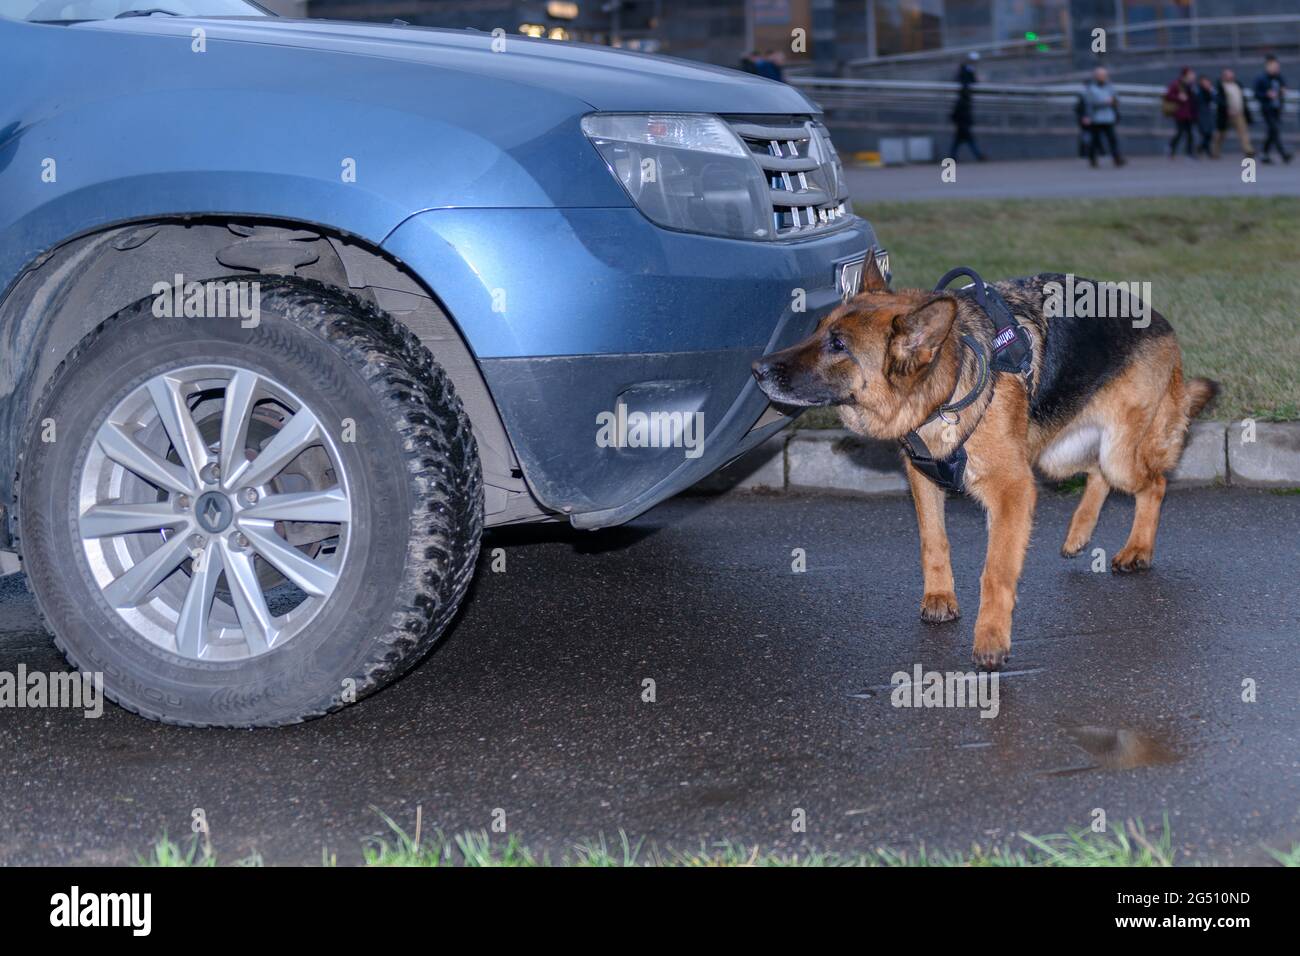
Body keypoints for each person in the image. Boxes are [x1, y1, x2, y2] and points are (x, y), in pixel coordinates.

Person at [1079, 66, 1125, 167]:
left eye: (1103, 75)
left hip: (1108, 118)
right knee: (1095, 140)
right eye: (1100, 75)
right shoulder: (1091, 88)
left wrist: (1113, 102)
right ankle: (1093, 159)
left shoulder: (1110, 87)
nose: (1102, 77)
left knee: (1112, 139)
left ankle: (1117, 158)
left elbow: (1116, 100)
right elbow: (1088, 103)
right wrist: (1103, 103)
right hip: (1096, 118)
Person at [1253, 54, 1293, 164]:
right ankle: (1283, 154)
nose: (1276, 68)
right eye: (1274, 66)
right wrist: (1266, 94)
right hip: (1267, 109)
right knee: (1274, 130)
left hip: (1277, 108)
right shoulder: (1261, 78)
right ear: (1268, 66)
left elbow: (1283, 88)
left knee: (1272, 132)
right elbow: (1256, 93)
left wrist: (1283, 91)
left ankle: (1264, 154)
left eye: (1277, 67)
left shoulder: (1279, 77)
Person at [948, 51, 985, 161]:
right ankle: (978, 156)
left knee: (959, 140)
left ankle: (953, 157)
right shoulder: (966, 70)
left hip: (962, 123)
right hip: (963, 123)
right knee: (966, 139)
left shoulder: (966, 69)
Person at [1215, 68, 1254, 159]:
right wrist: (1226, 108)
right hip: (1226, 115)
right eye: (1228, 75)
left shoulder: (1237, 84)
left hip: (1238, 113)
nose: (1231, 76)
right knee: (1221, 134)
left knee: (1243, 132)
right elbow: (1219, 100)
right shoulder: (1221, 86)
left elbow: (1242, 98)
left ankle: (1248, 150)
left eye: (1231, 74)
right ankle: (1215, 151)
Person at [1164, 67, 1198, 158]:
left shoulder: (1191, 85)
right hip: (1180, 113)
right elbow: (1168, 95)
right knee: (1180, 132)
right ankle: (1172, 148)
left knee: (1189, 133)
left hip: (1189, 113)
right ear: (1185, 75)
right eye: (1191, 74)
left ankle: (1189, 153)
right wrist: (1178, 97)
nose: (1193, 76)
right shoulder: (1176, 84)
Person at [1195, 74, 1219, 157]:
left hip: (1208, 114)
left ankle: (1203, 149)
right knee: (1205, 133)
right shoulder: (1199, 91)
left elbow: (1215, 99)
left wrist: (1211, 91)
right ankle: (1203, 149)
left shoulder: (1210, 91)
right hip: (1200, 114)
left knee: (1209, 133)